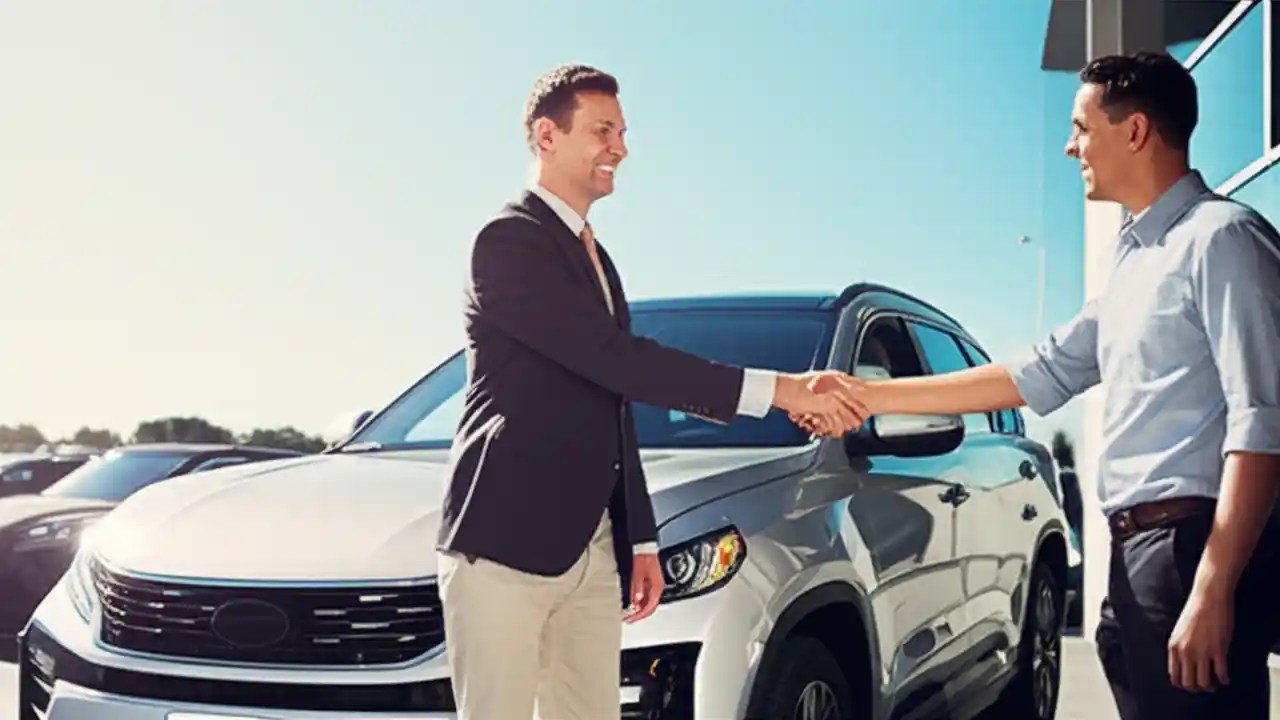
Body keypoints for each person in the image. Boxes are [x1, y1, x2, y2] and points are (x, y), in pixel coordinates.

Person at [803, 51, 1280, 719]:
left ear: (1135, 131)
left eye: (1082, 127)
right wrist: (868, 394)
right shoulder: (1137, 262)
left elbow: (1263, 419)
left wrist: (1213, 581)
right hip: (1139, 560)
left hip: (1190, 552)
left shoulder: (1222, 239)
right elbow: (1031, 372)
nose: (1069, 145)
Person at [435, 63, 867, 720]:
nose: (621, 148)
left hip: (590, 551)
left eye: (623, 131)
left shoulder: (598, 259)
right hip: (504, 548)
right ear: (547, 136)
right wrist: (783, 390)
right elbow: (615, 360)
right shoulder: (508, 241)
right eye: (603, 130)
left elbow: (614, 408)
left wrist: (637, 541)